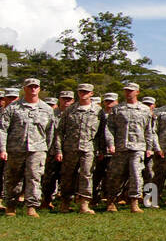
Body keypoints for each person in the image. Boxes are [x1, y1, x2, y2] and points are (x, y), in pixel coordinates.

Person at [0, 77, 55, 217]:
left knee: (34, 177)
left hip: (37, 149)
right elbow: (2, 129)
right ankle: (11, 206)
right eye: (30, 87)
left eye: (36, 87)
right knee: (13, 178)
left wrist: (46, 149)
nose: (33, 89)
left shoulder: (47, 109)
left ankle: (31, 206)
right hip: (15, 149)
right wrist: (3, 149)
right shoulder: (13, 107)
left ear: (39, 89)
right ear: (24, 89)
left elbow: (50, 132)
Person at [105, 83, 154, 212]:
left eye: (131, 91)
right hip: (121, 147)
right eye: (126, 91)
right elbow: (109, 128)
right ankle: (111, 201)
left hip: (138, 147)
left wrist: (149, 147)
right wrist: (111, 144)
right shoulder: (117, 109)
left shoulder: (144, 109)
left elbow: (149, 130)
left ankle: (134, 202)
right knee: (116, 175)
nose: (128, 93)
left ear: (137, 92)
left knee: (136, 175)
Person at [56, 84, 103, 214]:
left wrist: (101, 150)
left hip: (89, 149)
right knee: (67, 176)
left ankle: (84, 204)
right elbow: (60, 131)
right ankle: (65, 203)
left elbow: (102, 133)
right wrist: (59, 150)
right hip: (70, 148)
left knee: (86, 175)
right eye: (81, 91)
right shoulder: (70, 110)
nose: (83, 93)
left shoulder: (98, 111)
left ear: (92, 93)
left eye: (86, 92)